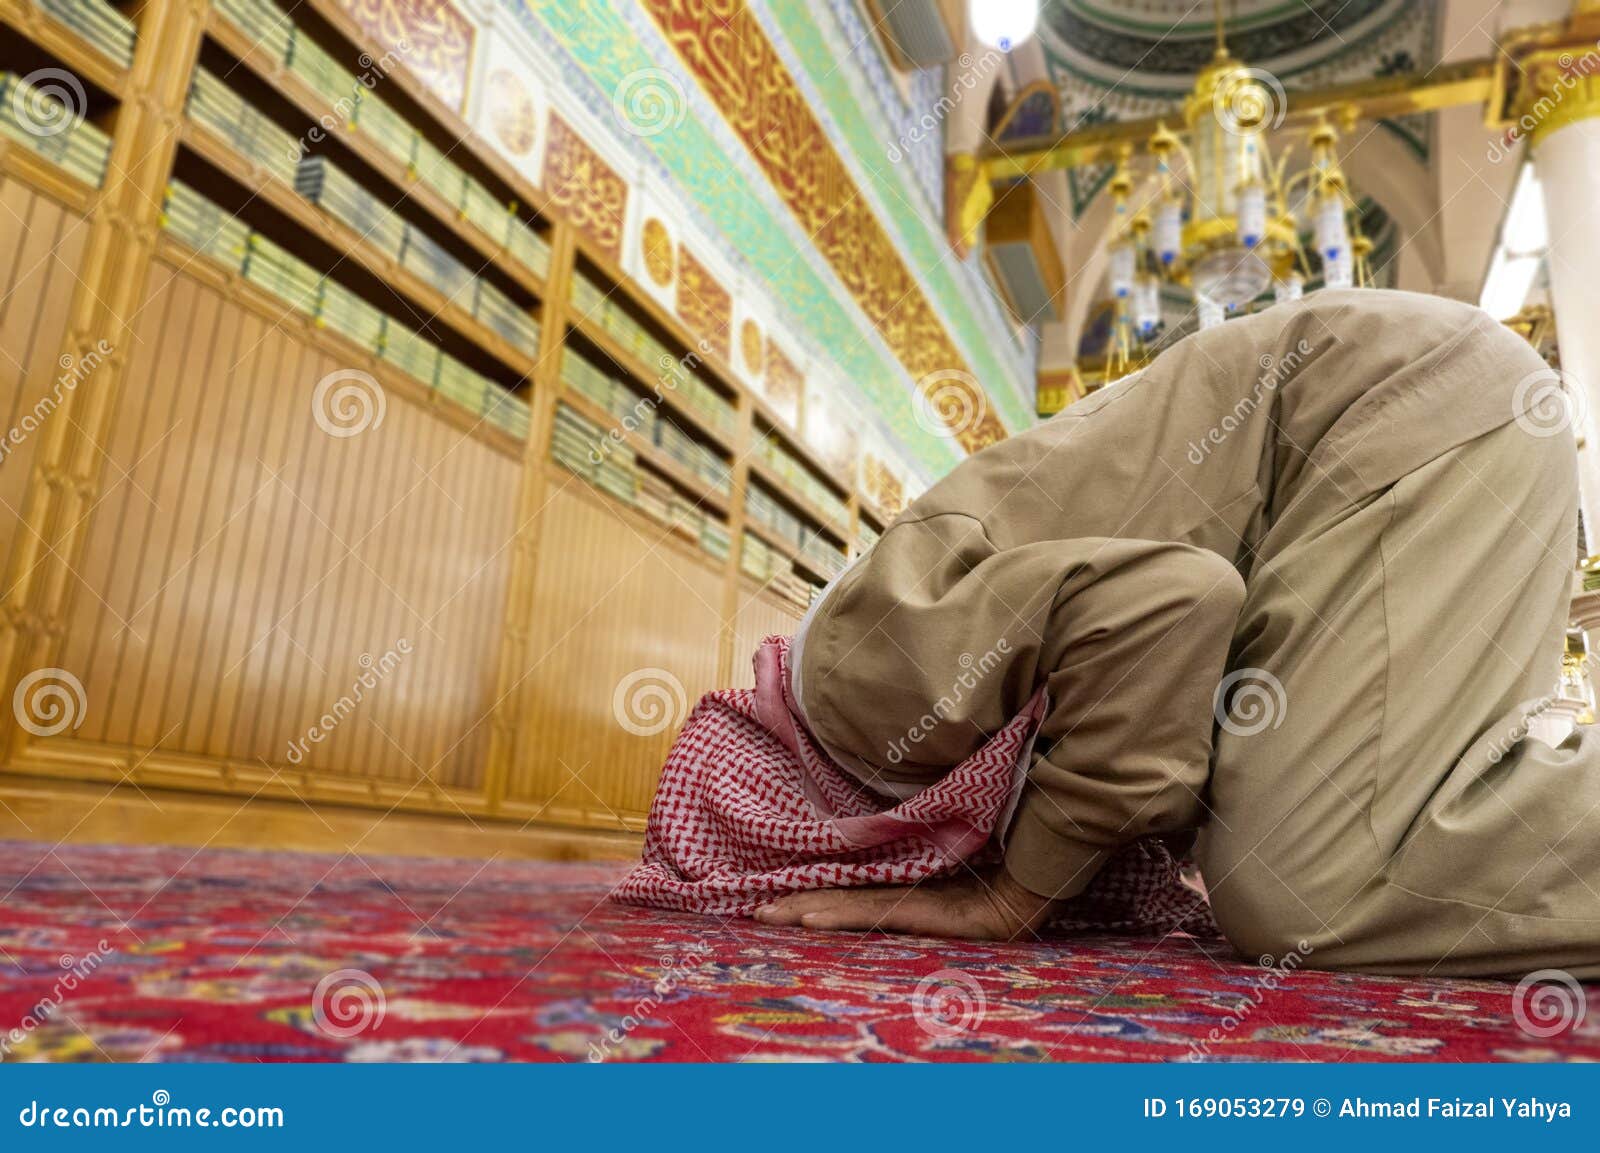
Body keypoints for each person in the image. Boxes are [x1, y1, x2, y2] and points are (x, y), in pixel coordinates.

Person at [755, 288, 1600, 978]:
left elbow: (1176, 603)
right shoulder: (880, 648)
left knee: (1295, 887)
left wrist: (1012, 897)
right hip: (1434, 423)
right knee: (1331, 836)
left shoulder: (862, 686)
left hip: (1415, 419)